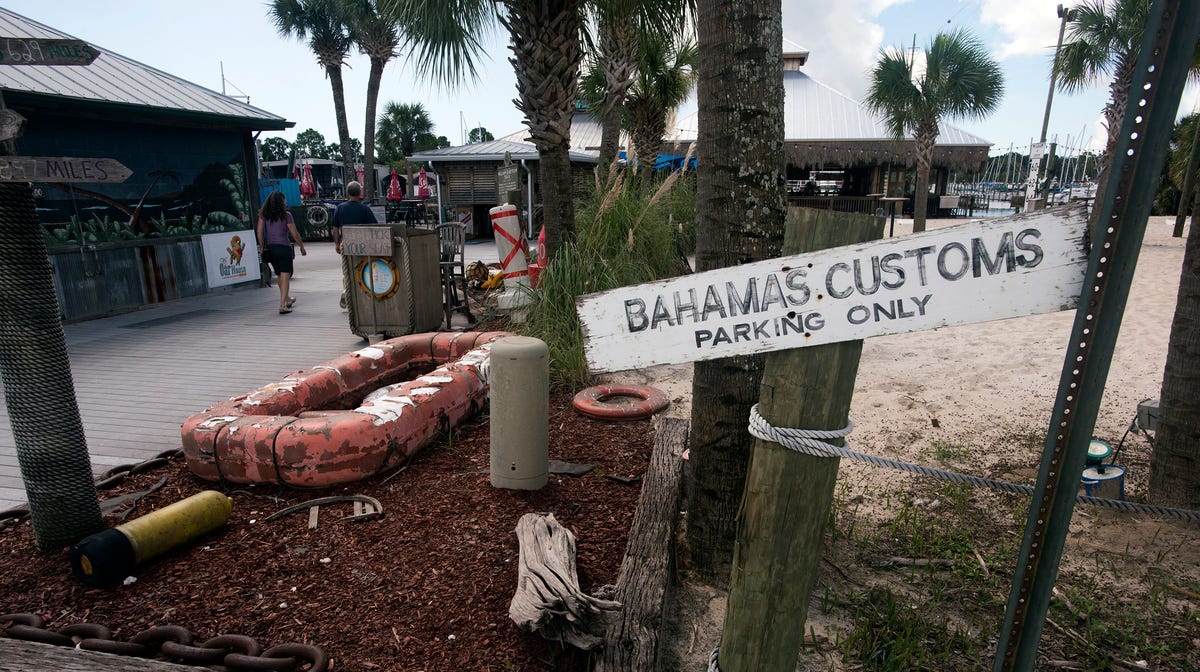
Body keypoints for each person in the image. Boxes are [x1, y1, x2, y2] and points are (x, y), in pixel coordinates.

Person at [256, 190, 307, 314]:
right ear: (281, 202)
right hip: (283, 247)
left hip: (271, 248)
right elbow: (294, 233)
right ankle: (282, 305)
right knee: (285, 276)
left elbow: (259, 231)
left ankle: (288, 299)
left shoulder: (264, 215)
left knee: (280, 275)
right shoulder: (286, 215)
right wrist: (301, 246)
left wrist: (262, 245)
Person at [331, 180, 378, 308]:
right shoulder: (365, 209)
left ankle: (346, 292)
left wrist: (337, 243)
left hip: (346, 244)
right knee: (362, 269)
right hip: (363, 245)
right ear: (359, 193)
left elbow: (335, 228)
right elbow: (374, 228)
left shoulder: (340, 208)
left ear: (348, 193)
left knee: (347, 270)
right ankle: (361, 295)